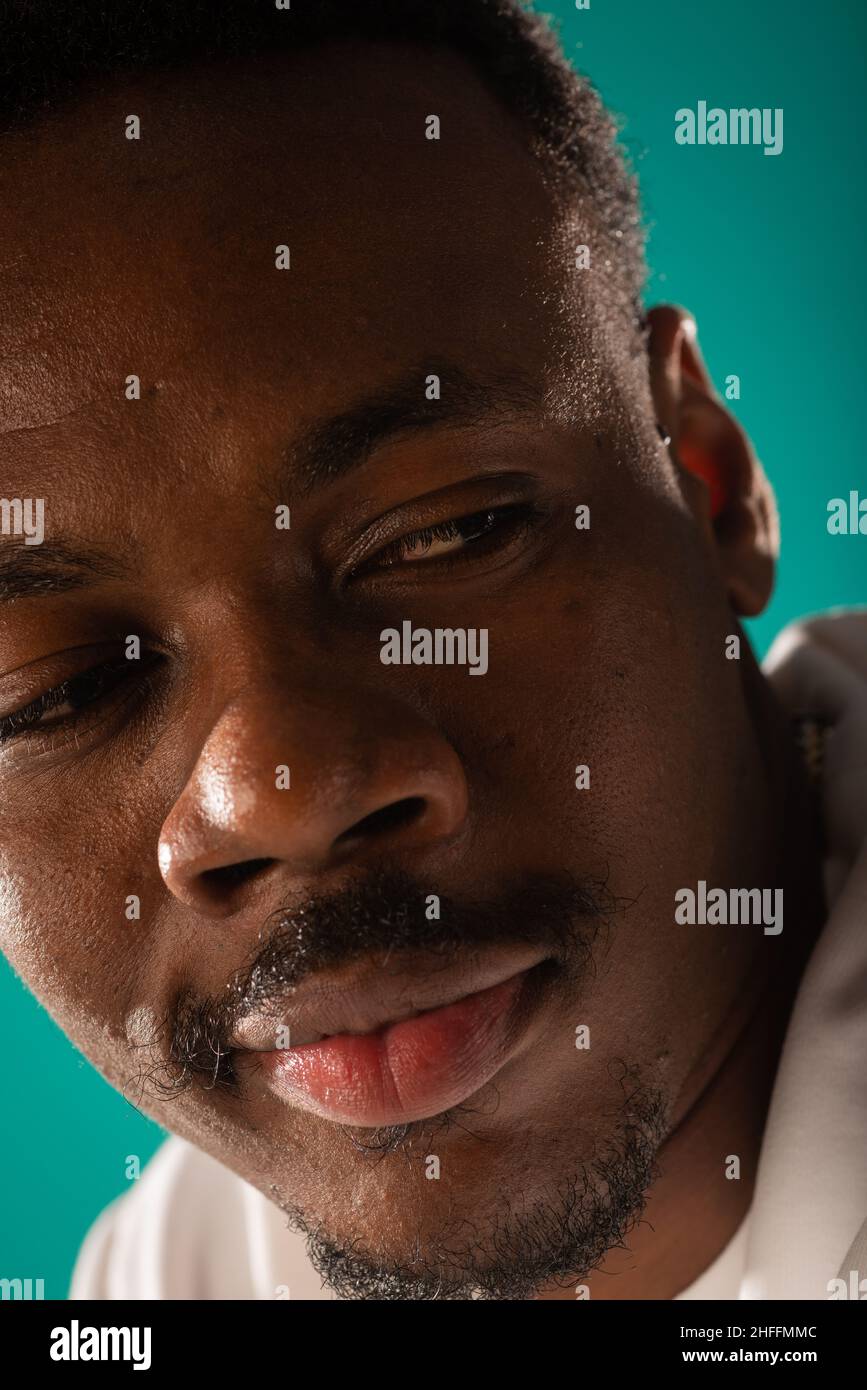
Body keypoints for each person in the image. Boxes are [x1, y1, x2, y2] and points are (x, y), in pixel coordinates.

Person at [1, 0, 864, 1302]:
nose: (280, 793)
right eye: (56, 689)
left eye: (445, 534)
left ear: (708, 479)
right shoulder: (171, 1269)